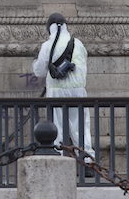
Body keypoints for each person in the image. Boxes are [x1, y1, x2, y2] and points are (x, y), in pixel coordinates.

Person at [31, 12, 97, 173]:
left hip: (56, 92)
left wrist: (36, 62)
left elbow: (39, 71)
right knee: (80, 126)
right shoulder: (78, 44)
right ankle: (87, 161)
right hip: (78, 91)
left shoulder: (48, 45)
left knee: (57, 126)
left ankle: (58, 160)